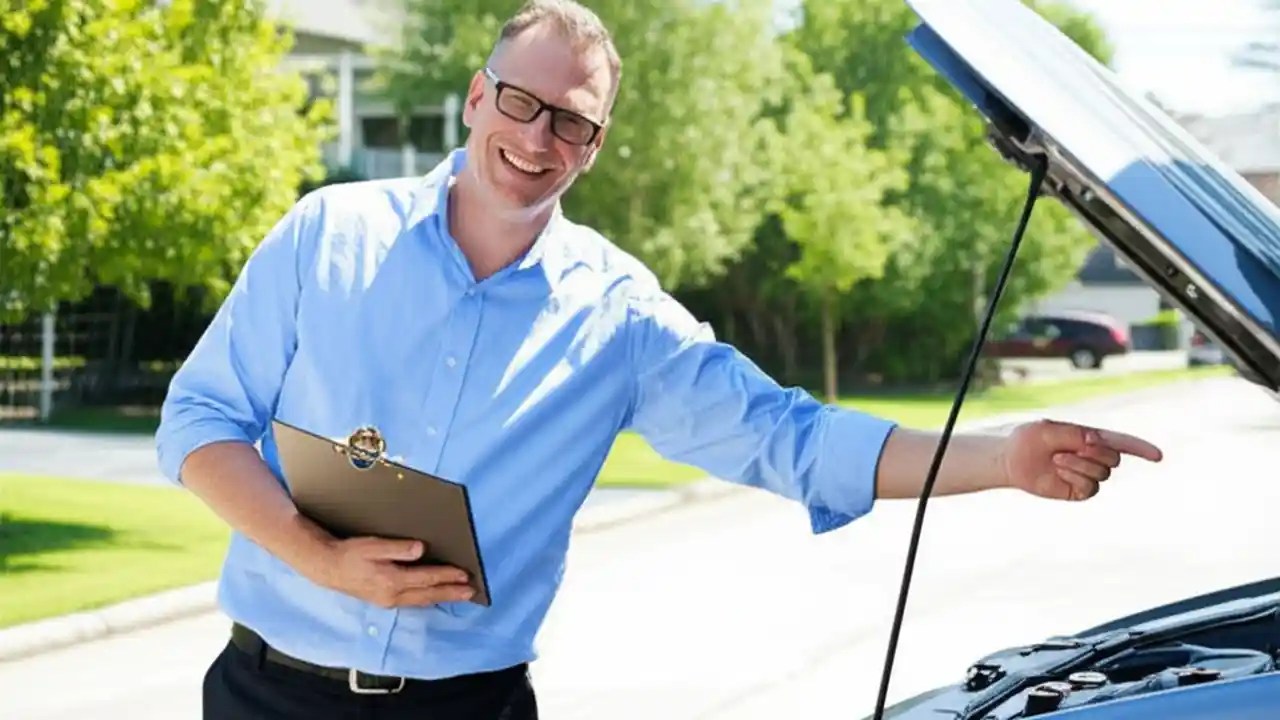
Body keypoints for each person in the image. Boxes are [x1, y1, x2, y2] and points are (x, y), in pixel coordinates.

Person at [155, 1, 1165, 717]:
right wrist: (314, 554)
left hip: (468, 709)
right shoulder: (326, 234)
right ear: (475, 97)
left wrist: (1002, 456)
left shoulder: (617, 316)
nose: (535, 135)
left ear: (592, 147)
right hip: (267, 695)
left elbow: (790, 439)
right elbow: (199, 421)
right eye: (518, 101)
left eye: (570, 120)